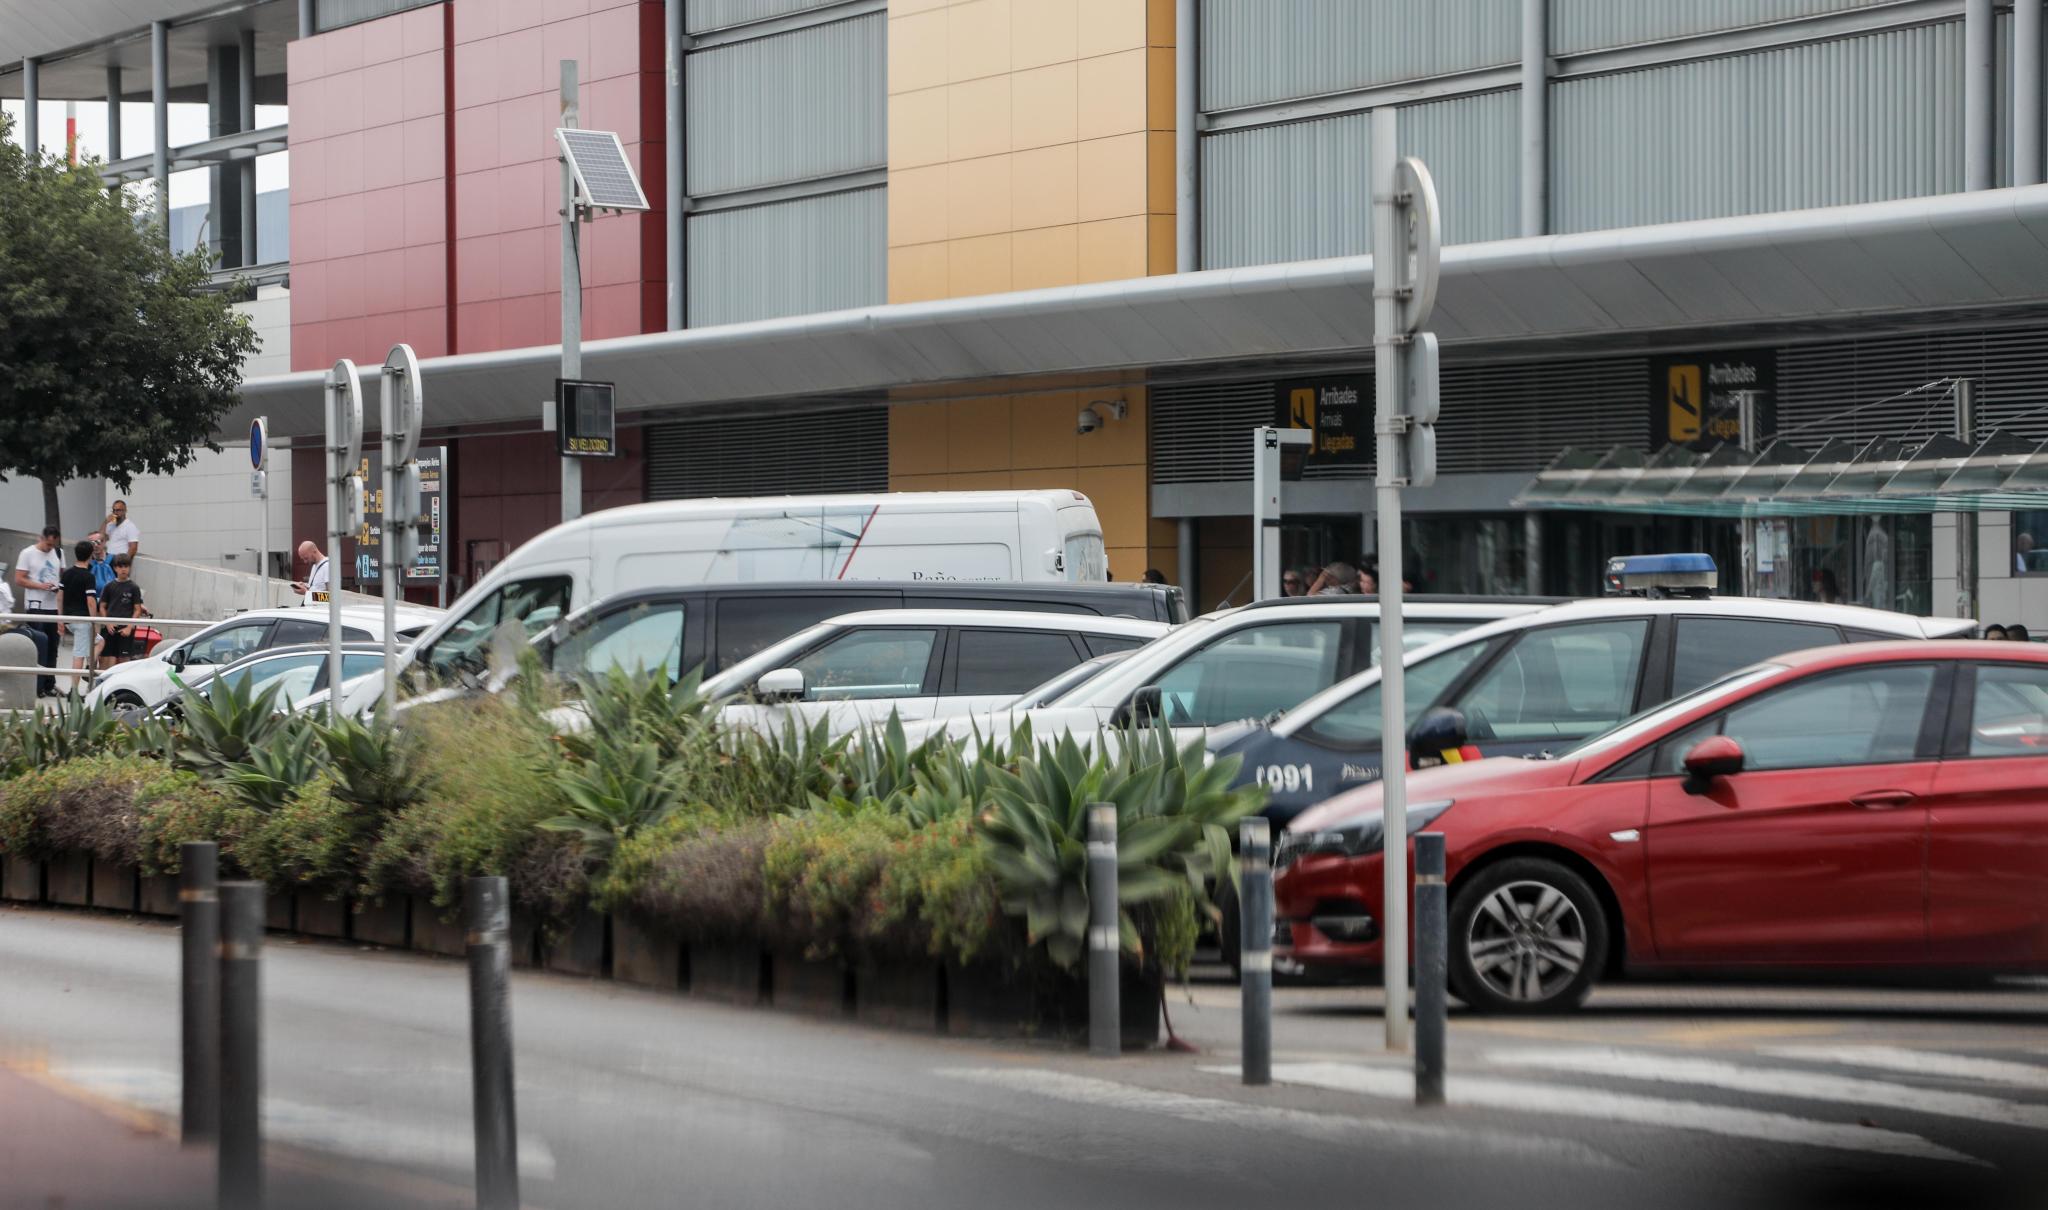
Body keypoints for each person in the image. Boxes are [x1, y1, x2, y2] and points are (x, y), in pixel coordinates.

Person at [13, 526, 64, 697]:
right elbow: (19, 579)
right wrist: (40, 586)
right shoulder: (27, 553)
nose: (49, 548)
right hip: (35, 605)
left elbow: (61, 577)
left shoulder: (58, 553)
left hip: (53, 606)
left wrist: (57, 590)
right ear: (40, 538)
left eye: (53, 545)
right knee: (38, 646)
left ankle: (49, 684)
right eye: (47, 544)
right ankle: (36, 685)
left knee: (53, 647)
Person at [57, 540, 101, 693]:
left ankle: (89, 667)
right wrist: (94, 622)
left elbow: (59, 597)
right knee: (78, 655)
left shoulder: (67, 573)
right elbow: (91, 601)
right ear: (90, 555)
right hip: (83, 621)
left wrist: (60, 619)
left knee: (99, 642)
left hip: (69, 619)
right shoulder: (89, 576)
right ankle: (73, 692)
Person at [99, 555, 148, 667]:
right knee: (106, 658)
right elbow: (102, 606)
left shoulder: (134, 587)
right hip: (110, 627)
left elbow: (137, 609)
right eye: (120, 566)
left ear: (130, 568)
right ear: (115, 568)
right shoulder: (108, 586)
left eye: (126, 566)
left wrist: (129, 627)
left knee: (124, 659)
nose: (123, 569)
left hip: (126, 627)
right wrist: (107, 623)